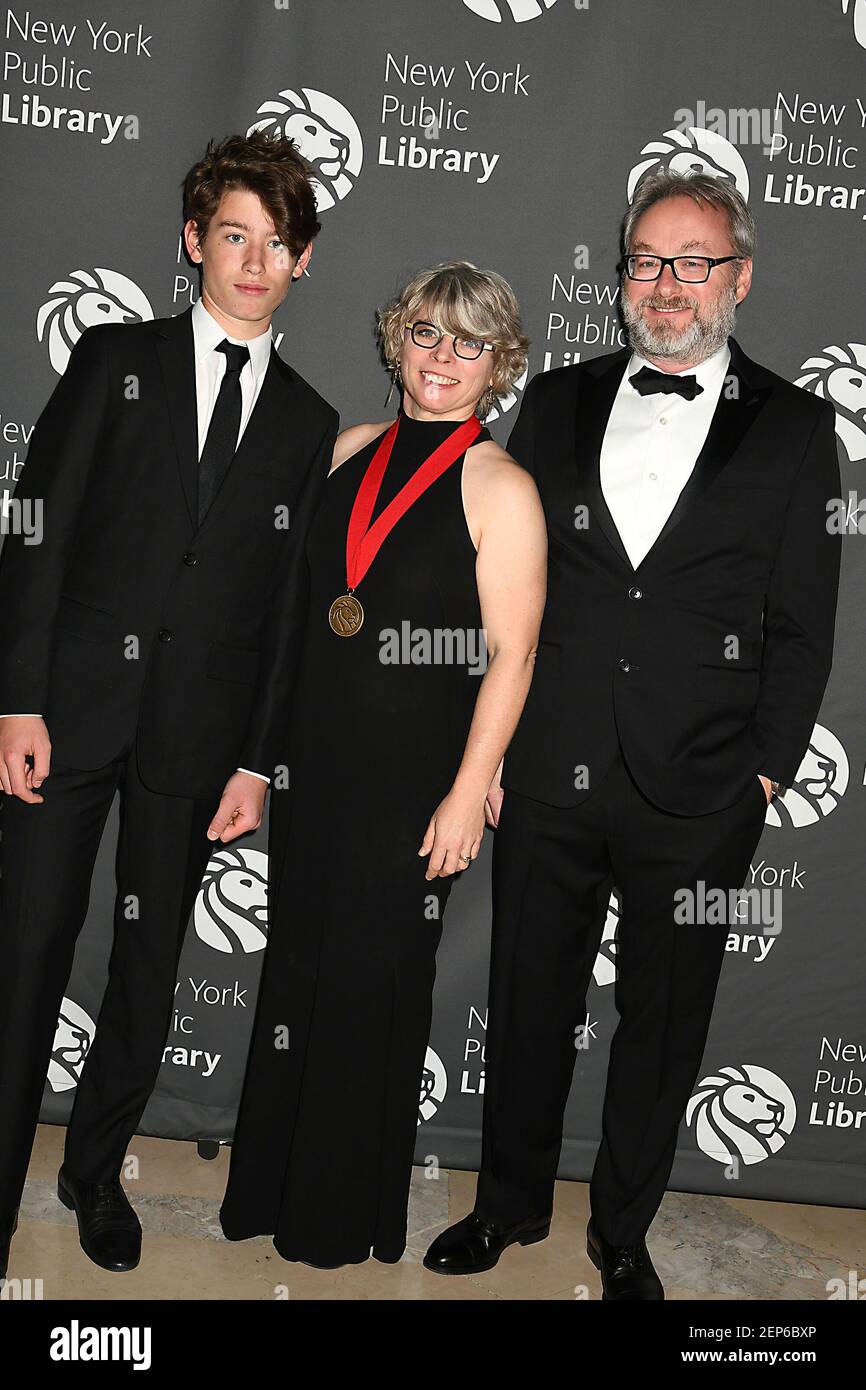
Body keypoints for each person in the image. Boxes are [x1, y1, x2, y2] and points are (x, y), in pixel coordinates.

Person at [425, 172, 842, 1298]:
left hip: (699, 787)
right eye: (646, 261)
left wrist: (757, 775)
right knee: (525, 1001)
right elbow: (505, 589)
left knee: (661, 1025)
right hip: (550, 769)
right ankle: (504, 1207)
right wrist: (496, 749)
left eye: (692, 260)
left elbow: (802, 630)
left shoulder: (799, 432)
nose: (666, 284)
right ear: (620, 279)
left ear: (738, 278)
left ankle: (620, 1231)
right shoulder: (552, 400)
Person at [0, 132, 338, 1279]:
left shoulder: (306, 421)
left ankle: (95, 1175)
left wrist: (255, 761)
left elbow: (293, 619)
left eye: (277, 242)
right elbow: (35, 529)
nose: (253, 259)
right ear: (193, 243)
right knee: (26, 950)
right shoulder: (113, 359)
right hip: (67, 721)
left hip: (195, 748)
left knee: (147, 971)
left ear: (303, 262)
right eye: (233, 234)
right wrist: (16, 701)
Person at [219, 261, 547, 1266]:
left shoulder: (501, 486)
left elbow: (513, 655)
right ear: (396, 337)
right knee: (297, 980)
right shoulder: (349, 448)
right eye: (425, 333)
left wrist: (462, 791)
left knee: (373, 992)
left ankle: (334, 1216)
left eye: (467, 342)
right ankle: (267, 1190)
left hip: (410, 787)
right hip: (313, 773)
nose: (441, 356)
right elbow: (297, 617)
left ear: (497, 366)